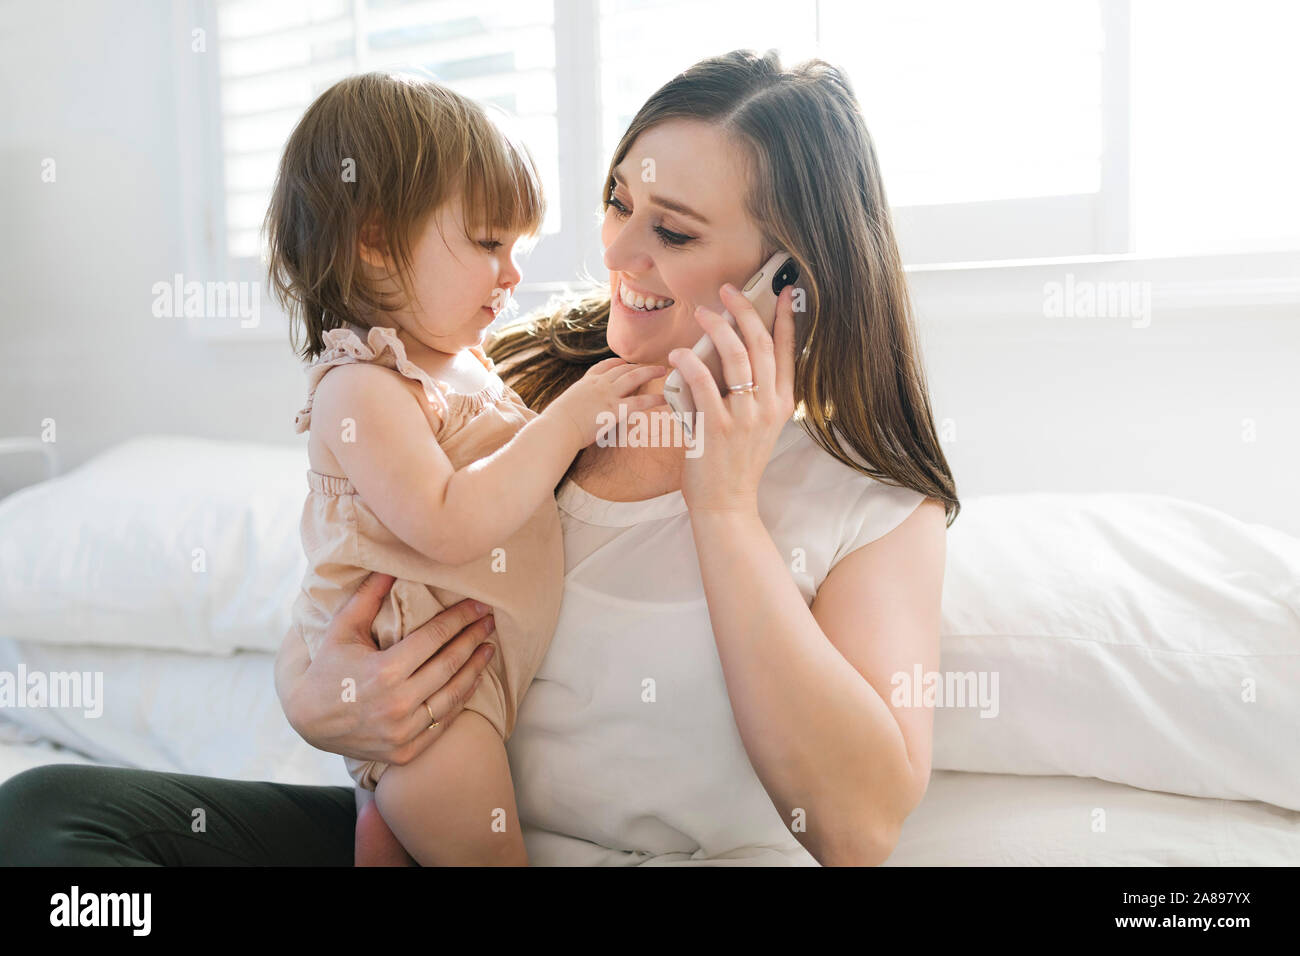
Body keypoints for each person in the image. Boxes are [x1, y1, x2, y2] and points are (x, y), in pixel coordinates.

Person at [0, 49, 957, 867]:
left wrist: (724, 508)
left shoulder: (868, 502)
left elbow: (856, 827)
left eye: (671, 230)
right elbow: (359, 555)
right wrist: (320, 695)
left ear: (788, 278)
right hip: (433, 824)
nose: (618, 249)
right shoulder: (513, 382)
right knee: (47, 817)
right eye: (617, 201)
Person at [266, 72, 666, 866]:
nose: (512, 273)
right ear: (374, 241)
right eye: (488, 243)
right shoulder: (364, 384)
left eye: (515, 247)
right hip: (427, 705)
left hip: (460, 692)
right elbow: (447, 521)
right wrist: (570, 420)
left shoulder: (463, 365)